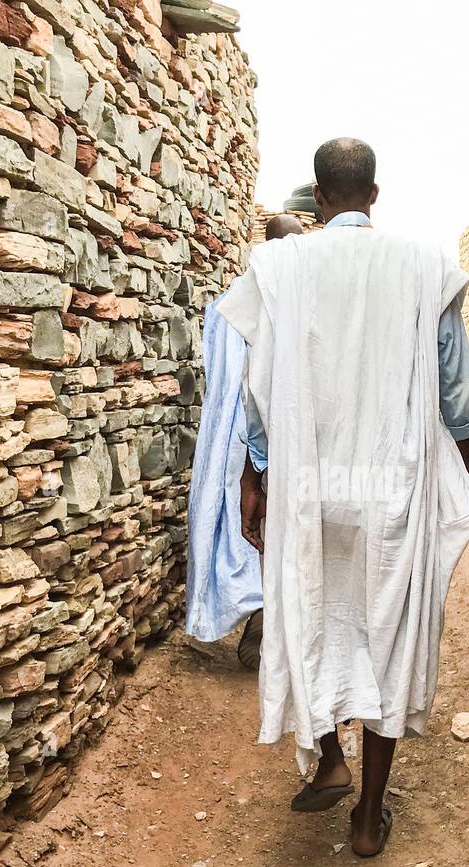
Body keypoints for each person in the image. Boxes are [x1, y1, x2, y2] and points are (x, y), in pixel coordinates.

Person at [216, 138, 469, 858]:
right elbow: (453, 384)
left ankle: (326, 755)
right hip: (390, 486)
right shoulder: (423, 263)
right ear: (373, 195)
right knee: (386, 635)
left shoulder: (279, 266)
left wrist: (257, 474)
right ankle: (369, 817)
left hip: (311, 486)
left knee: (309, 607)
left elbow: (258, 390)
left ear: (318, 196)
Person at [184, 213, 304, 667]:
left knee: (241, 525)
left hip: (232, 433)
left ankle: (255, 610)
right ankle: (272, 618)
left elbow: (217, 375)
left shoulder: (227, 303)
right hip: (275, 427)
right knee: (278, 521)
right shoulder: (294, 302)